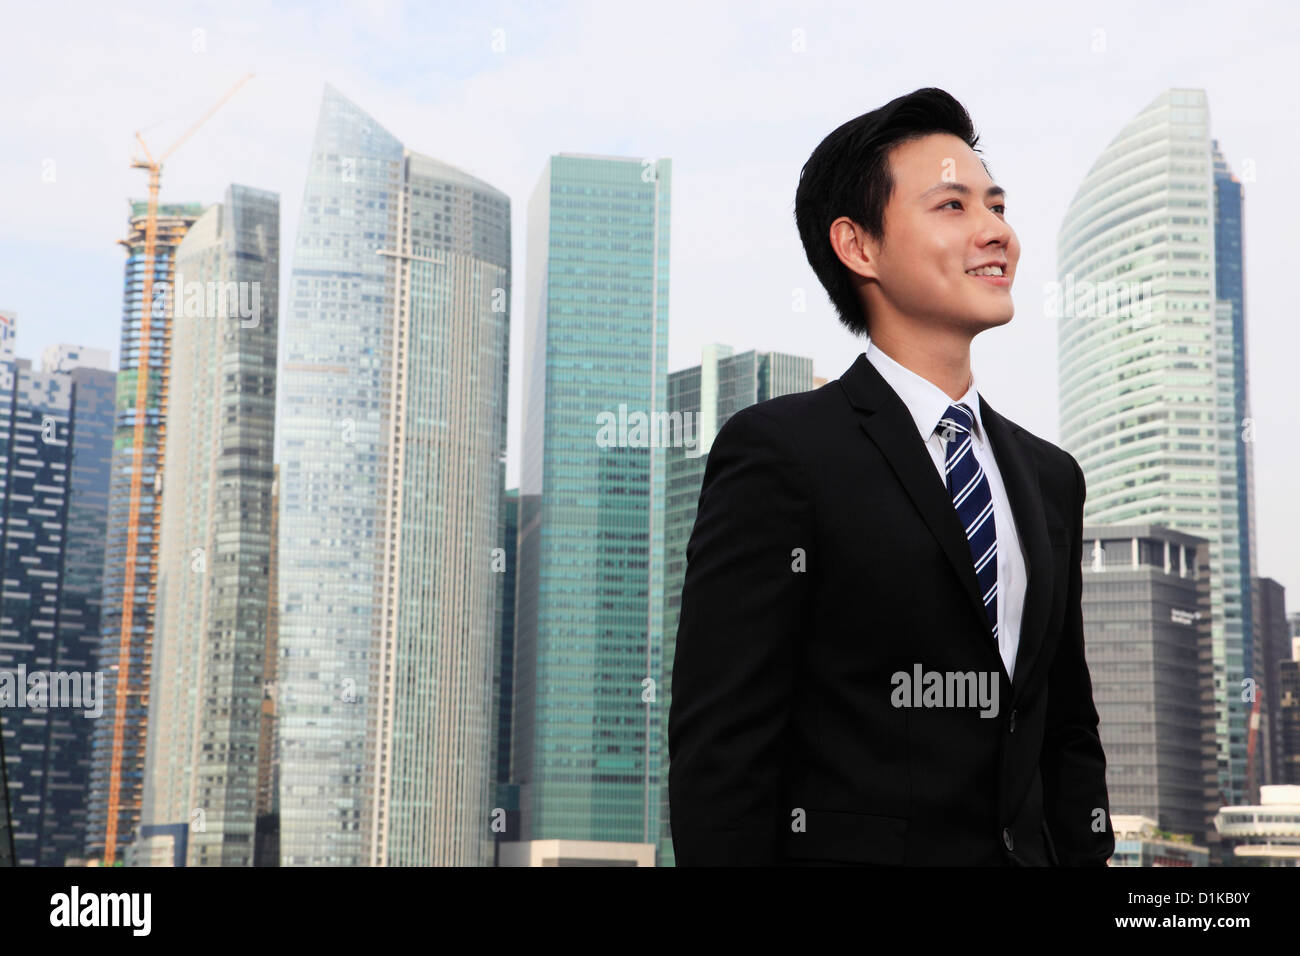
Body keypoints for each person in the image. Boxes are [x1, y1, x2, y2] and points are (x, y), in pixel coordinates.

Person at [667, 87, 1114, 866]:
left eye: (996, 204)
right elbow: (723, 756)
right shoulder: (781, 455)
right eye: (952, 206)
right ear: (858, 246)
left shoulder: (1051, 478)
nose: (995, 232)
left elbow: (1065, 726)